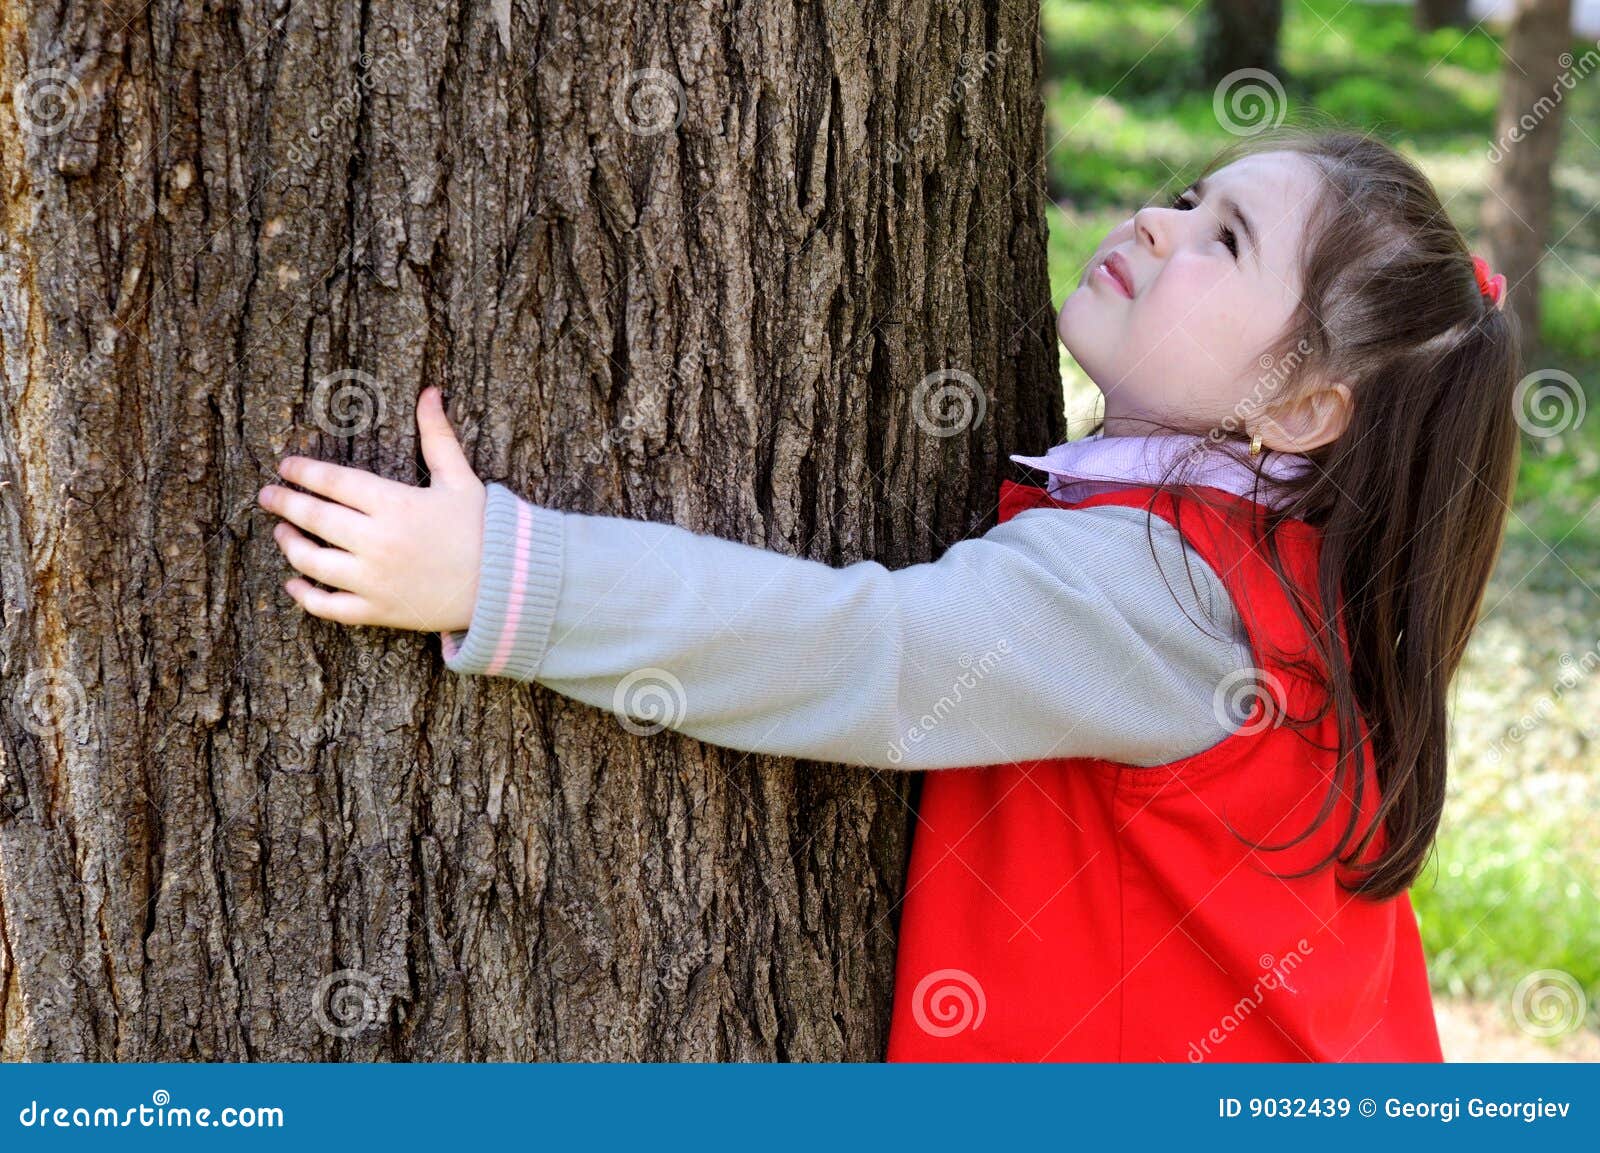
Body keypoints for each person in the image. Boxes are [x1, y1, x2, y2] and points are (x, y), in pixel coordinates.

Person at [256, 128, 1521, 1061]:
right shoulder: (1260, 567)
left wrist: (506, 575)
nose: (1151, 217)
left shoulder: (1171, 596)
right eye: (1191, 195)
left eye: (1224, 241)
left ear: (1302, 412)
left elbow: (872, 656)